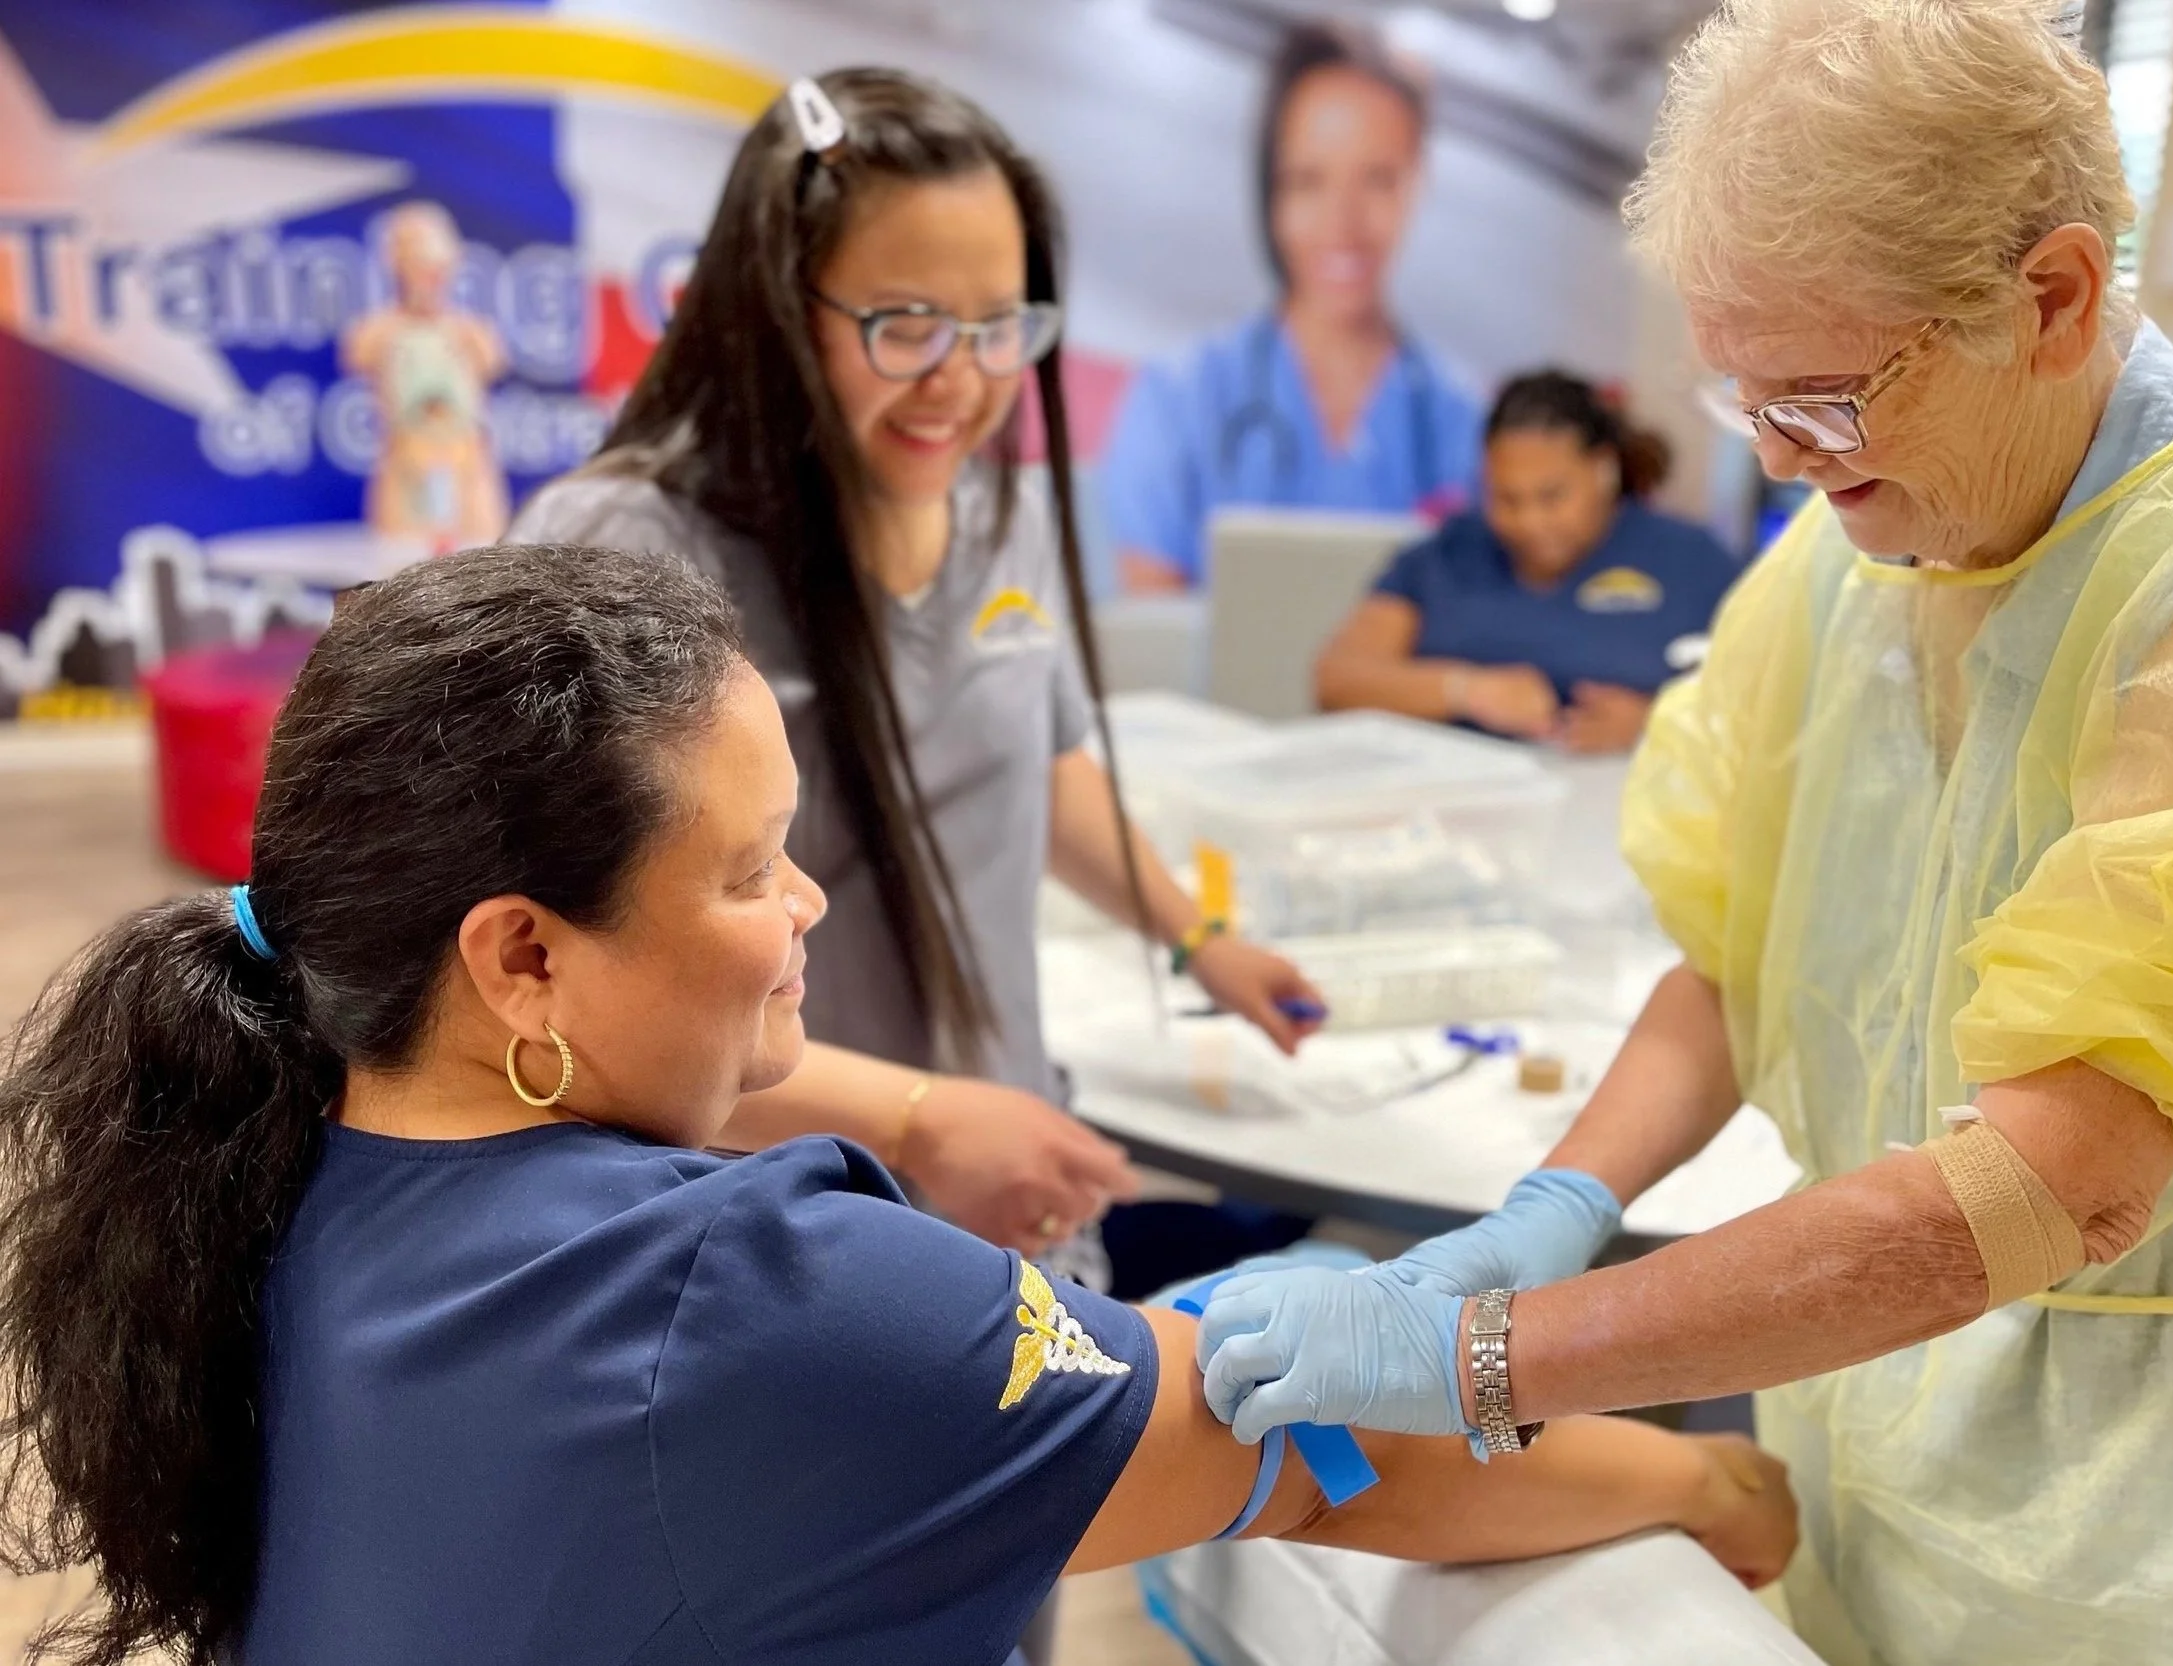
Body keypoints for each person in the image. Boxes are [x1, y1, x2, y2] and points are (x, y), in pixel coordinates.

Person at [1186, 3, 2173, 1662]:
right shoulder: (1853, 558)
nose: (1788, 461)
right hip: (1883, 1442)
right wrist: (1554, 1205)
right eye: (1742, 403)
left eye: (1821, 398)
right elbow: (1736, 959)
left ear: (2053, 299)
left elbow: (2044, 1187)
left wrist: (1491, 1359)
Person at [0, 544, 1799, 1665]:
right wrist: (1719, 1479)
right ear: (523, 958)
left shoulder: (276, 1168)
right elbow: (1338, 1457)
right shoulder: (756, 1296)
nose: (807, 905)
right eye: (751, 868)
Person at [512, 71, 1322, 1269]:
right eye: (904, 323)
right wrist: (914, 1121)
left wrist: (1198, 936)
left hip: (1003, 1195)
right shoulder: (625, 548)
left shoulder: (1005, 515)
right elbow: (573, 990)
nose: (961, 380)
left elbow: (1036, 763)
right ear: (774, 306)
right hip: (762, 1227)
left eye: (999, 327)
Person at [1095, 21, 1482, 594]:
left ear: (1417, 184)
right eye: (1307, 181)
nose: (1342, 223)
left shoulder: (1463, 427)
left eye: (1378, 181)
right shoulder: (1177, 400)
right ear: (1270, 191)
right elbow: (1152, 628)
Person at [1314, 370, 1738, 752]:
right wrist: (1465, 691)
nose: (1530, 522)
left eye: (1552, 497)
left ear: (1604, 471)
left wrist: (1654, 724)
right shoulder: (1448, 555)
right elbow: (1338, 679)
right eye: (1507, 499)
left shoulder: (1692, 562)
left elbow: (1757, 711)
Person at [341, 201, 508, 553]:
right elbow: (358, 355)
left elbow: (493, 362)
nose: (429, 277)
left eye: (436, 266)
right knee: (405, 562)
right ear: (398, 266)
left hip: (465, 468)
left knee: (478, 559)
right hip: (407, 465)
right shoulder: (377, 332)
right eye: (418, 265)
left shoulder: (472, 333)